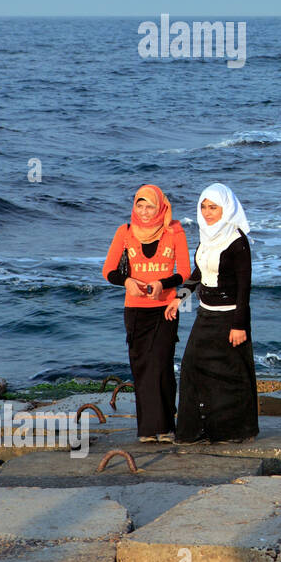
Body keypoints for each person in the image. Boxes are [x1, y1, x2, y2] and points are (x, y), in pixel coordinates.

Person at [101, 185, 191, 443]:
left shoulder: (174, 230)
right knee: (142, 368)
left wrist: (164, 284)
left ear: (160, 206)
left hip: (165, 308)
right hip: (135, 311)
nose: (144, 211)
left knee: (162, 365)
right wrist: (127, 281)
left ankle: (167, 426)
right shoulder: (125, 232)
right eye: (140, 205)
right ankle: (148, 430)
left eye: (149, 206)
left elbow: (184, 271)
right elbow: (108, 270)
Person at [171, 183, 259, 443]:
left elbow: (245, 288)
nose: (208, 213)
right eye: (204, 207)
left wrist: (239, 326)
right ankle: (197, 431)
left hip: (230, 319)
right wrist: (179, 298)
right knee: (191, 367)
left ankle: (236, 432)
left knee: (233, 377)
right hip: (205, 316)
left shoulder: (238, 242)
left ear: (226, 208)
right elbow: (198, 273)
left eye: (214, 207)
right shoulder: (206, 235)